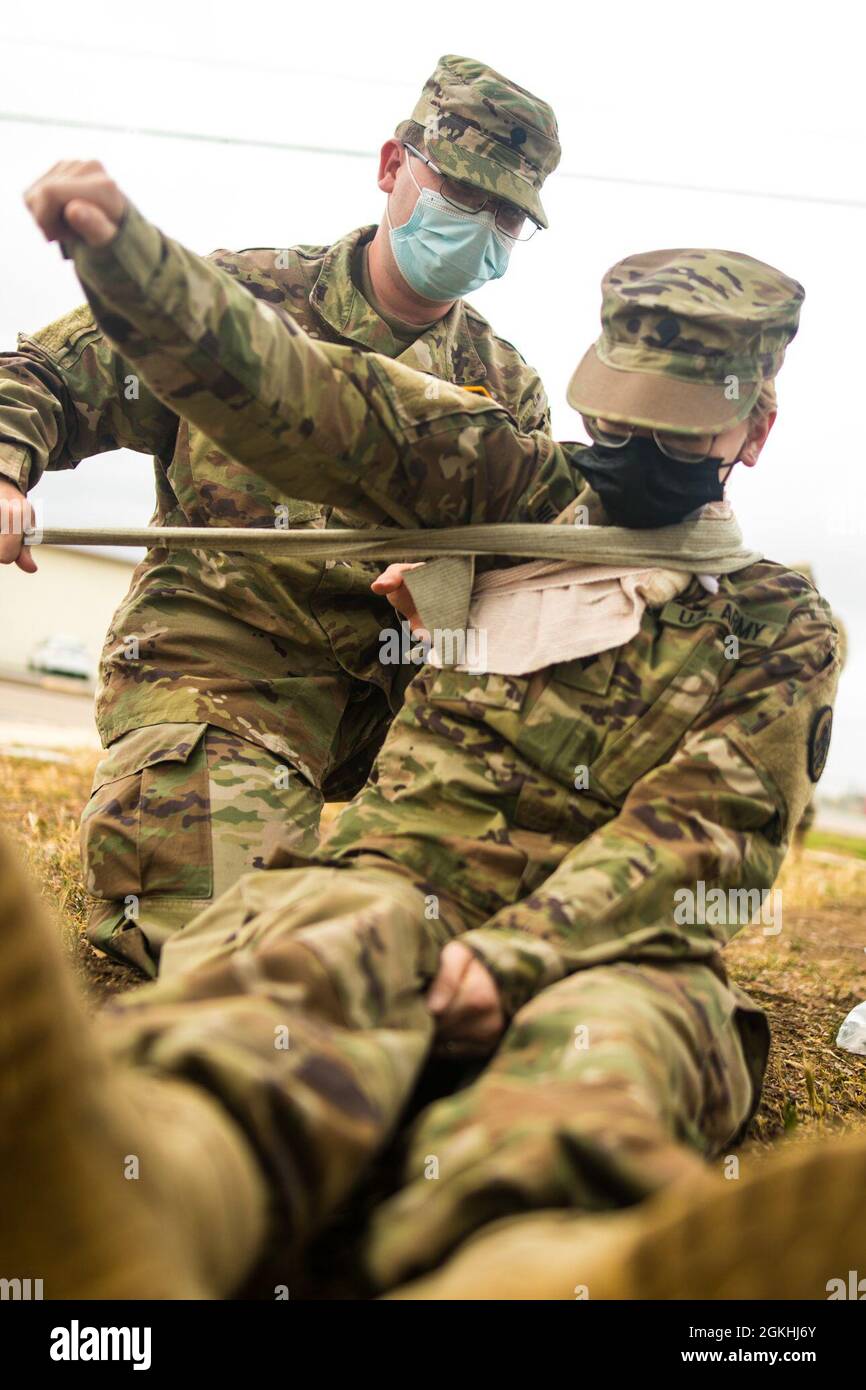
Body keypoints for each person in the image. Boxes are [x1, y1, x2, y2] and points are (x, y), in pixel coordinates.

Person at [4, 166, 840, 1299]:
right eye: (617, 420)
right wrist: (132, 263)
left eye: (676, 433)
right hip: (399, 883)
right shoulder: (503, 485)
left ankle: (530, 1273)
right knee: (303, 970)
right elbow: (307, 394)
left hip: (613, 950)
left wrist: (512, 960)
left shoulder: (775, 624)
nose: (632, 452)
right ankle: (151, 1200)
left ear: (753, 427)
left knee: (612, 1055)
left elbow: (704, 841)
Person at [0, 55, 560, 977]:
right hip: (226, 672)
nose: (481, 229)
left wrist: (454, 595)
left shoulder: (505, 391)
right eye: (463, 193)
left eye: (506, 217)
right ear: (393, 167)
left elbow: (530, 573)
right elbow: (48, 376)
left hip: (400, 706)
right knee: (228, 957)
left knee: (490, 954)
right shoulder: (235, 309)